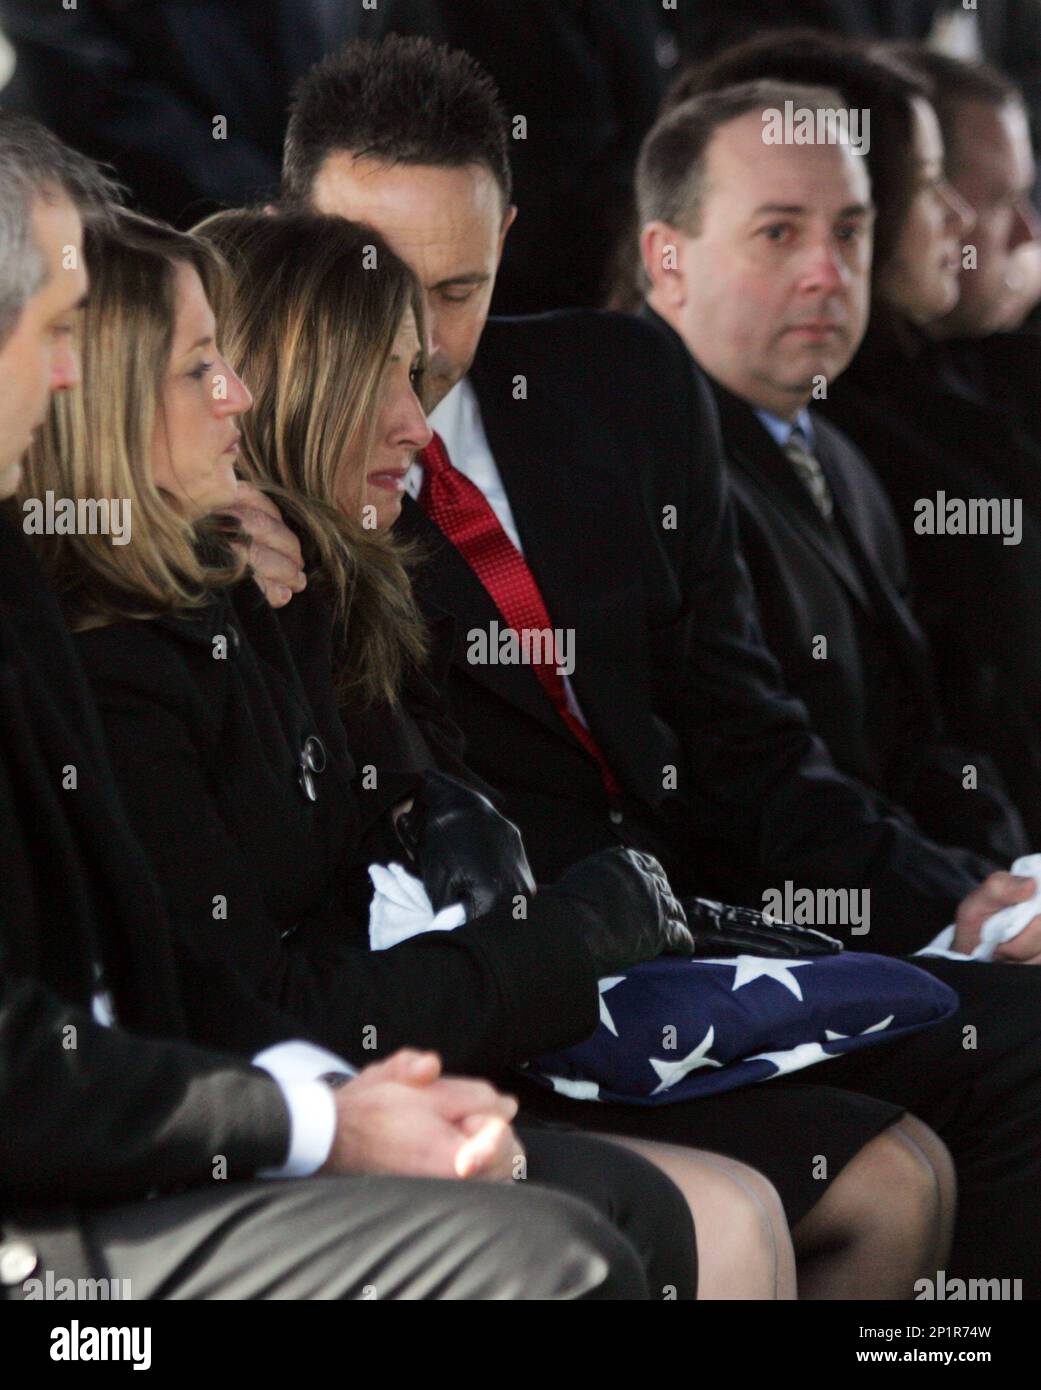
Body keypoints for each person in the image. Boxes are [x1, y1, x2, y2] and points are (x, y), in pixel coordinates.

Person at [277, 32, 1041, 1293]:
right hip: (525, 996)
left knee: (1022, 1037)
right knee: (877, 1176)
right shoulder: (279, 486)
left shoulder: (622, 388)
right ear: (287, 233)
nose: (411, 340)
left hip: (724, 941)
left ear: (512, 237)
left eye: (458, 287)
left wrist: (955, 899)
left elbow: (749, 746)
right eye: (372, 280)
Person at [0, 111, 696, 1305]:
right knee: (563, 1255)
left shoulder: (159, 591)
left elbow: (186, 987)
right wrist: (318, 1117)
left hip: (150, 1150)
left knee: (629, 1214)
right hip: (62, 1246)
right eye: (60, 332)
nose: (238, 400)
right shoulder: (110, 641)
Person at [644, 35, 1030, 865]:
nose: (827, 271)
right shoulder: (643, 468)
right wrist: (964, 898)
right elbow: (747, 787)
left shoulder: (834, 456)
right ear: (665, 261)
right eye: (778, 234)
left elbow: (925, 737)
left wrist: (1002, 873)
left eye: (850, 232)